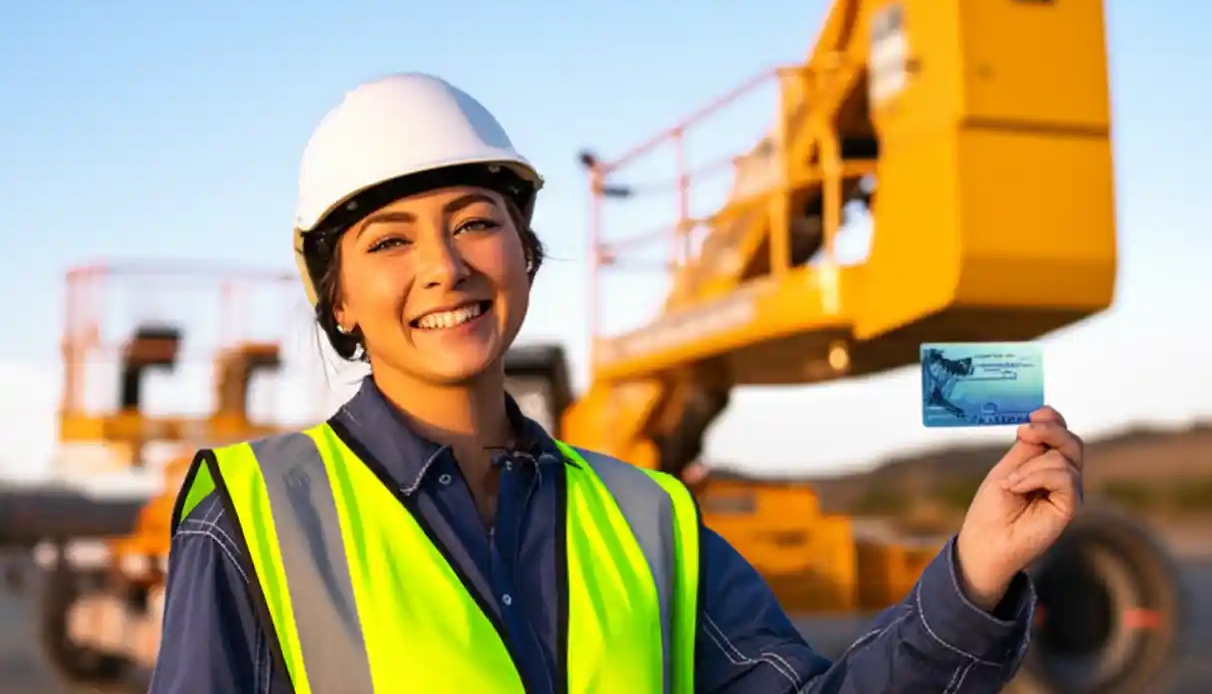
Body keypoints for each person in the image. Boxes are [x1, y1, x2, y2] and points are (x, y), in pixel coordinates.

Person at [149, 72, 1086, 693]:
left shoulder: (648, 519)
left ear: (523, 252)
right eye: (389, 240)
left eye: (475, 222)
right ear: (339, 300)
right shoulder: (251, 520)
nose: (444, 266)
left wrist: (976, 570)